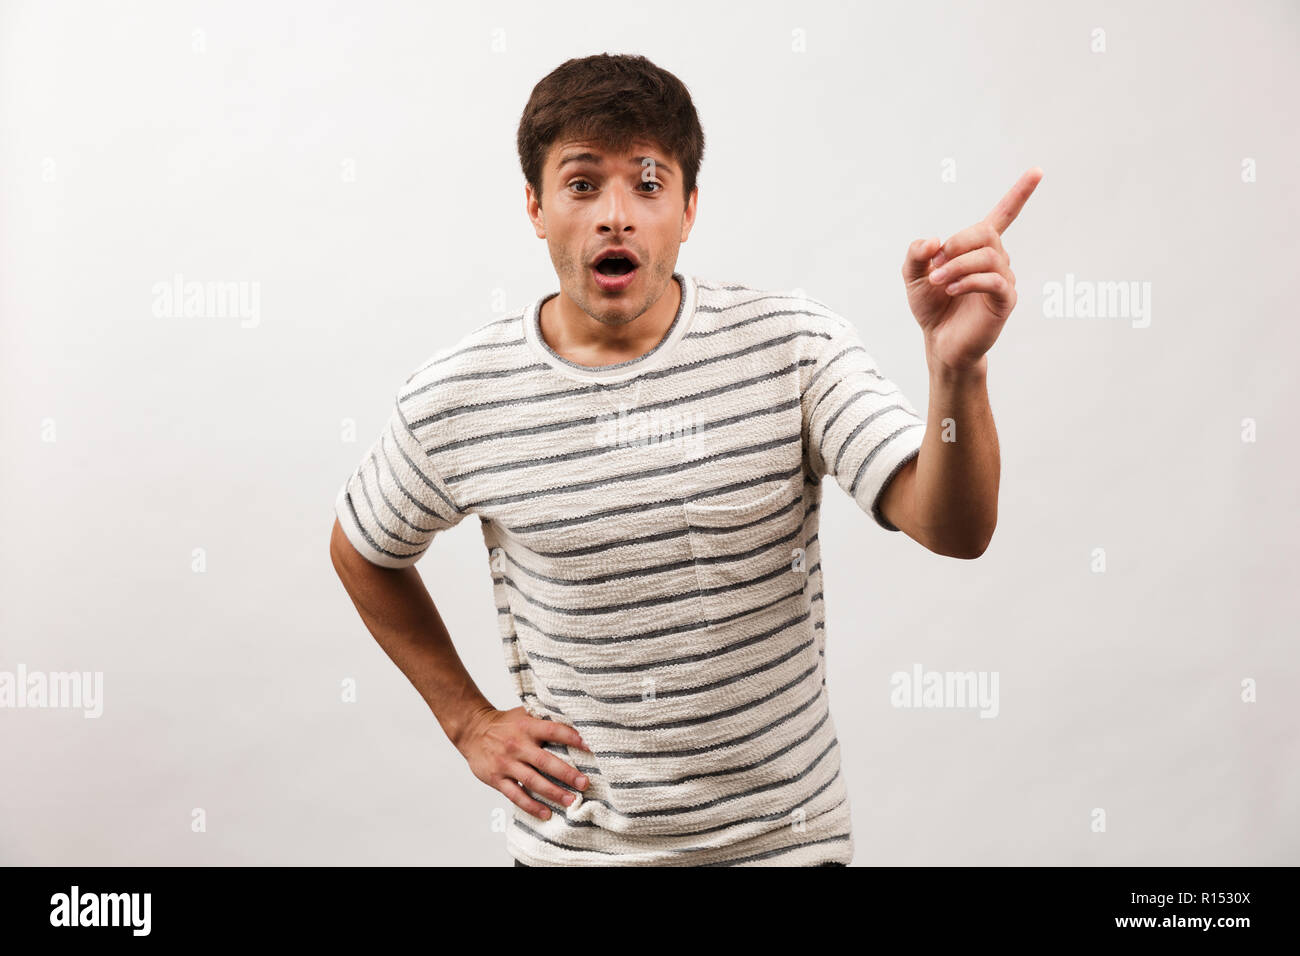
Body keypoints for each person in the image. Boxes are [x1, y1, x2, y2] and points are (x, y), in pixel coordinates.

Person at [329, 53, 1039, 866]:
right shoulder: (461, 395)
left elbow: (954, 528)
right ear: (535, 205)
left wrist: (957, 371)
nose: (616, 216)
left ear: (690, 208)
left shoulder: (792, 349)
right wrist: (466, 718)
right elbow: (361, 549)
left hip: (786, 850)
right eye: (583, 184)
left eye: (649, 183)